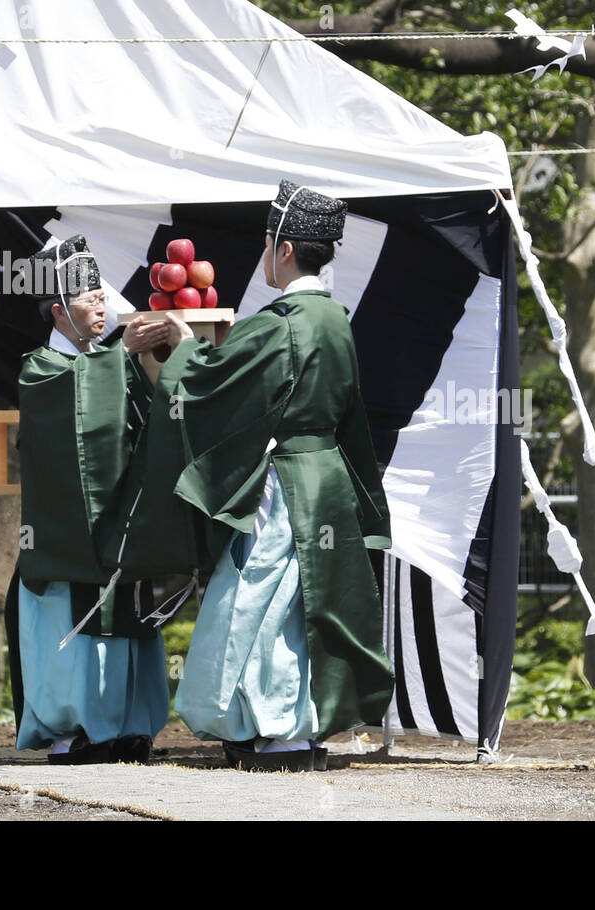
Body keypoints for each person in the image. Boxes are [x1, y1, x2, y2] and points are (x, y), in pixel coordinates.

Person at [154, 180, 394, 772]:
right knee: (304, 604)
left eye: (266, 242)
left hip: (283, 483)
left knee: (259, 604)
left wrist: (185, 347)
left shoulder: (280, 322)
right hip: (326, 481)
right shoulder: (335, 319)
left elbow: (209, 384)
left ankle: (273, 732)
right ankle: (294, 728)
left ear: (283, 248)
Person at [9, 234, 171, 764]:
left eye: (103, 294)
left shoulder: (114, 360)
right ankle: (72, 729)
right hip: (67, 537)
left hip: (120, 524)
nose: (102, 304)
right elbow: (72, 415)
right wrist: (121, 356)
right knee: (69, 620)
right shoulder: (39, 369)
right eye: (88, 297)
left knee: (127, 621)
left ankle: (128, 724)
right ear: (59, 311)